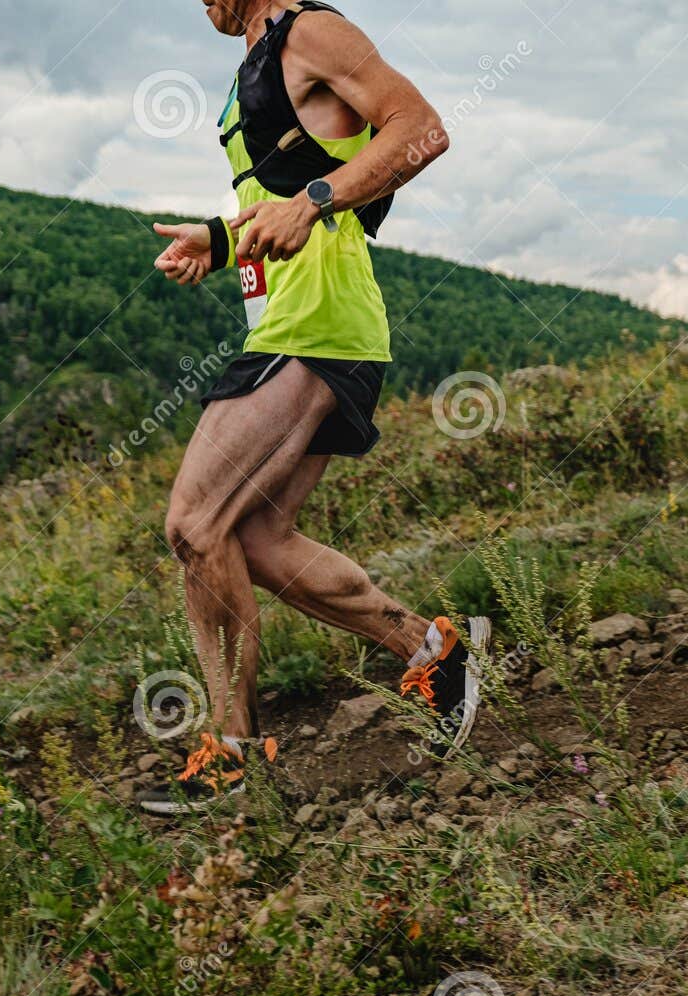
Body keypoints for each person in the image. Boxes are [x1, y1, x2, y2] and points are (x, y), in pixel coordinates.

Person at [140, 0, 488, 815]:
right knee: (255, 539)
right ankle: (432, 649)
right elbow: (281, 197)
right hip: (300, 323)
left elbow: (423, 129)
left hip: (320, 325)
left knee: (195, 524)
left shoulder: (309, 31)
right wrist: (219, 242)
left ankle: (231, 752)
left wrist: (320, 198)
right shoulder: (257, 60)